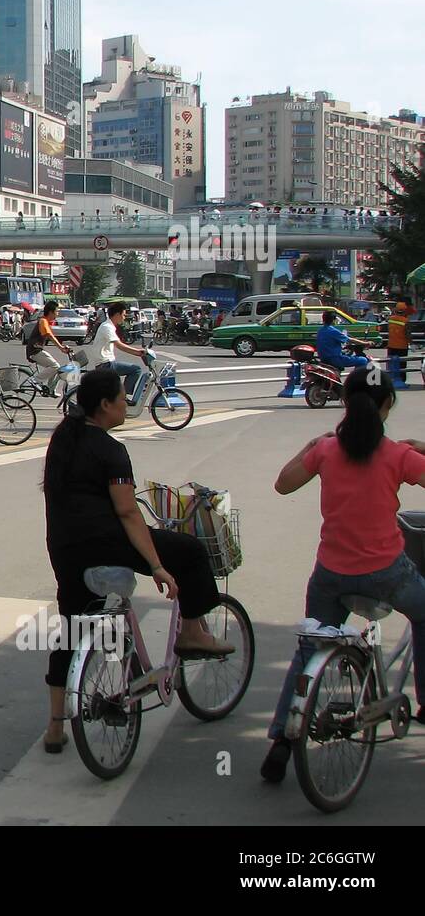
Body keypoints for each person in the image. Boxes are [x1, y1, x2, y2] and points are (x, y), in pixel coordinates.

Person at [42, 369, 234, 753]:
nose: (128, 403)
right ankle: (193, 632)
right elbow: (129, 513)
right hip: (107, 545)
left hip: (64, 548)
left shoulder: (64, 437)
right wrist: (158, 565)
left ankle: (55, 727)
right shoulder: (112, 451)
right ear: (105, 405)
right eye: (123, 397)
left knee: (73, 627)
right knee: (190, 551)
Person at [260, 367, 425, 782]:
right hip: (387, 572)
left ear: (345, 403)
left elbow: (283, 485)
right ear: (387, 406)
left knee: (310, 648)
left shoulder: (326, 450)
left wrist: (310, 447)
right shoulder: (399, 455)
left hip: (331, 574)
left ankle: (282, 737)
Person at [94, 302, 147, 398]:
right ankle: (126, 397)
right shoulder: (107, 327)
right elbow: (119, 345)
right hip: (106, 365)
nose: (124, 317)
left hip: (106, 363)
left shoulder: (108, 326)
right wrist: (138, 352)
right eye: (123, 315)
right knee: (136, 370)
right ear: (117, 314)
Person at [26, 300, 72, 396]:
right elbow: (49, 335)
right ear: (51, 312)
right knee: (55, 366)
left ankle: (51, 389)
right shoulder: (43, 321)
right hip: (34, 351)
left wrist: (61, 347)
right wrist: (61, 348)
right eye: (56, 311)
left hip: (37, 350)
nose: (57, 313)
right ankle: (34, 380)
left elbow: (50, 335)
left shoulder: (45, 321)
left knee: (56, 367)